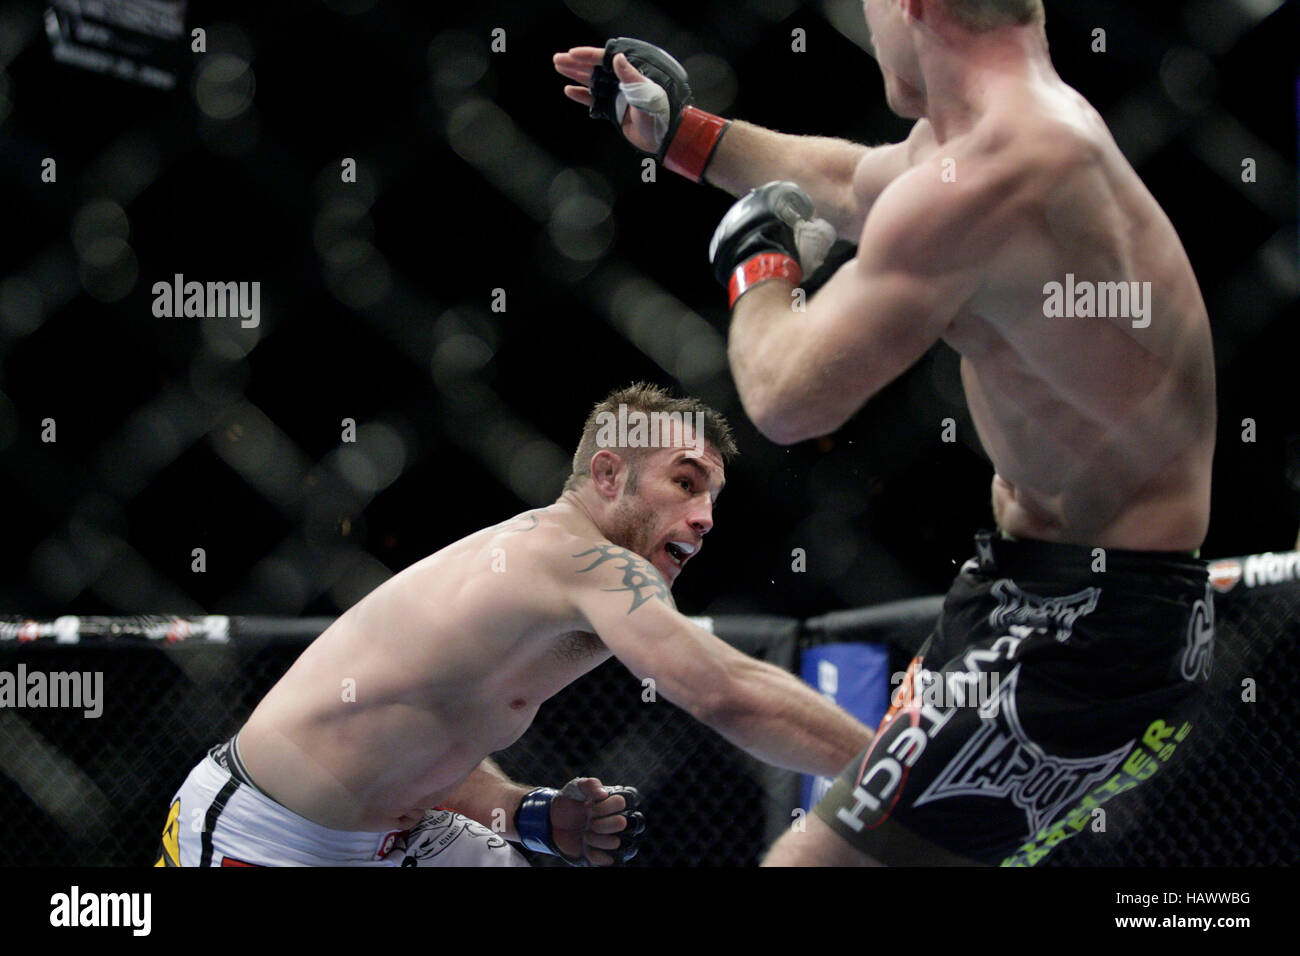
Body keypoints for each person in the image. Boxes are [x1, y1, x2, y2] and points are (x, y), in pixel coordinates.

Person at [555, 0, 1217, 866]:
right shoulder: (1015, 133)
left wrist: (758, 262)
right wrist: (688, 136)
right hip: (1057, 598)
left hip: (1083, 631)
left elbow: (789, 397)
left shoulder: (996, 174)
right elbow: (856, 183)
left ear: (912, 5)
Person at [155, 383, 871, 866]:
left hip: (404, 838)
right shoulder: (576, 558)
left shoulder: (570, 582)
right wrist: (894, 764)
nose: (706, 517)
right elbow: (721, 688)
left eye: (713, 497)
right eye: (685, 483)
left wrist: (529, 815)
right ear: (609, 473)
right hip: (267, 835)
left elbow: (430, 740)